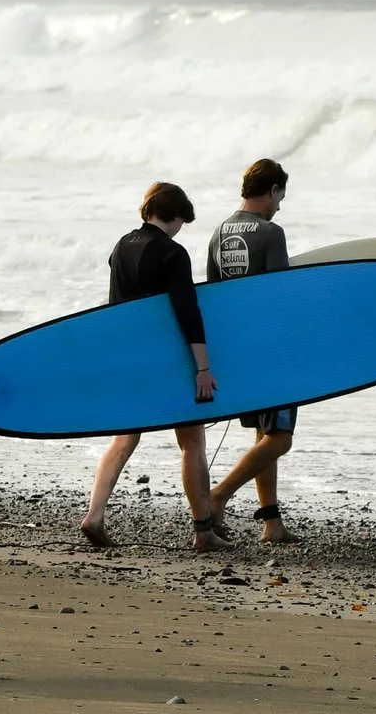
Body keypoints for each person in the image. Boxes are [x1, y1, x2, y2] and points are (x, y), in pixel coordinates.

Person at [79, 181, 222, 552]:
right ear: (174, 215)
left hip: (125, 357)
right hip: (164, 360)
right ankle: (203, 531)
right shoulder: (172, 253)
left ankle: (95, 515)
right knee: (192, 441)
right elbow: (187, 310)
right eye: (182, 221)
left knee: (125, 438)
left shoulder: (122, 245)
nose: (180, 229)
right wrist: (202, 368)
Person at [202, 158, 300, 545]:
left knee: (264, 434)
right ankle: (218, 496)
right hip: (271, 351)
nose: (279, 207)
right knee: (280, 437)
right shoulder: (270, 233)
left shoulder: (219, 233)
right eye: (281, 198)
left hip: (239, 349)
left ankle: (271, 523)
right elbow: (280, 295)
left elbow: (214, 298)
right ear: (272, 190)